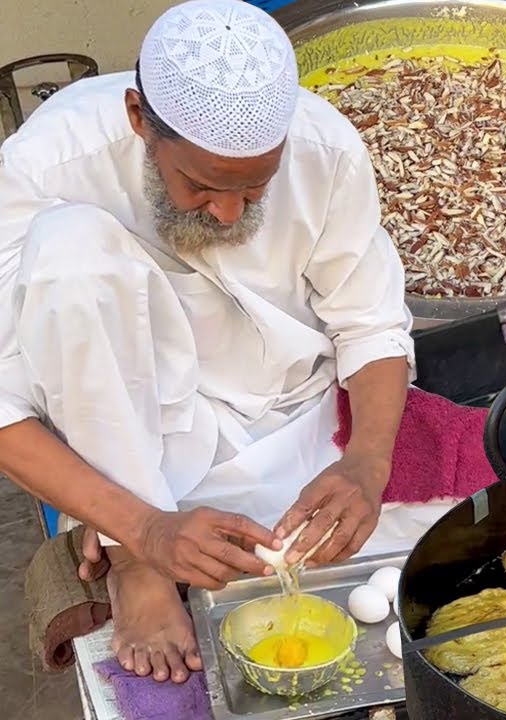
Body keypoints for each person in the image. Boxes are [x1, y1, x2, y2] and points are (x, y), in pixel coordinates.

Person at [0, 0, 451, 684]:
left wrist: (366, 463)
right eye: (202, 186)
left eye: (256, 188)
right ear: (137, 118)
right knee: (70, 251)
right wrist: (142, 529)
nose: (230, 213)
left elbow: (370, 322)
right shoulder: (46, 165)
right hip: (126, 433)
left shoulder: (324, 147)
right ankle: (134, 566)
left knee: (440, 581)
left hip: (299, 414)